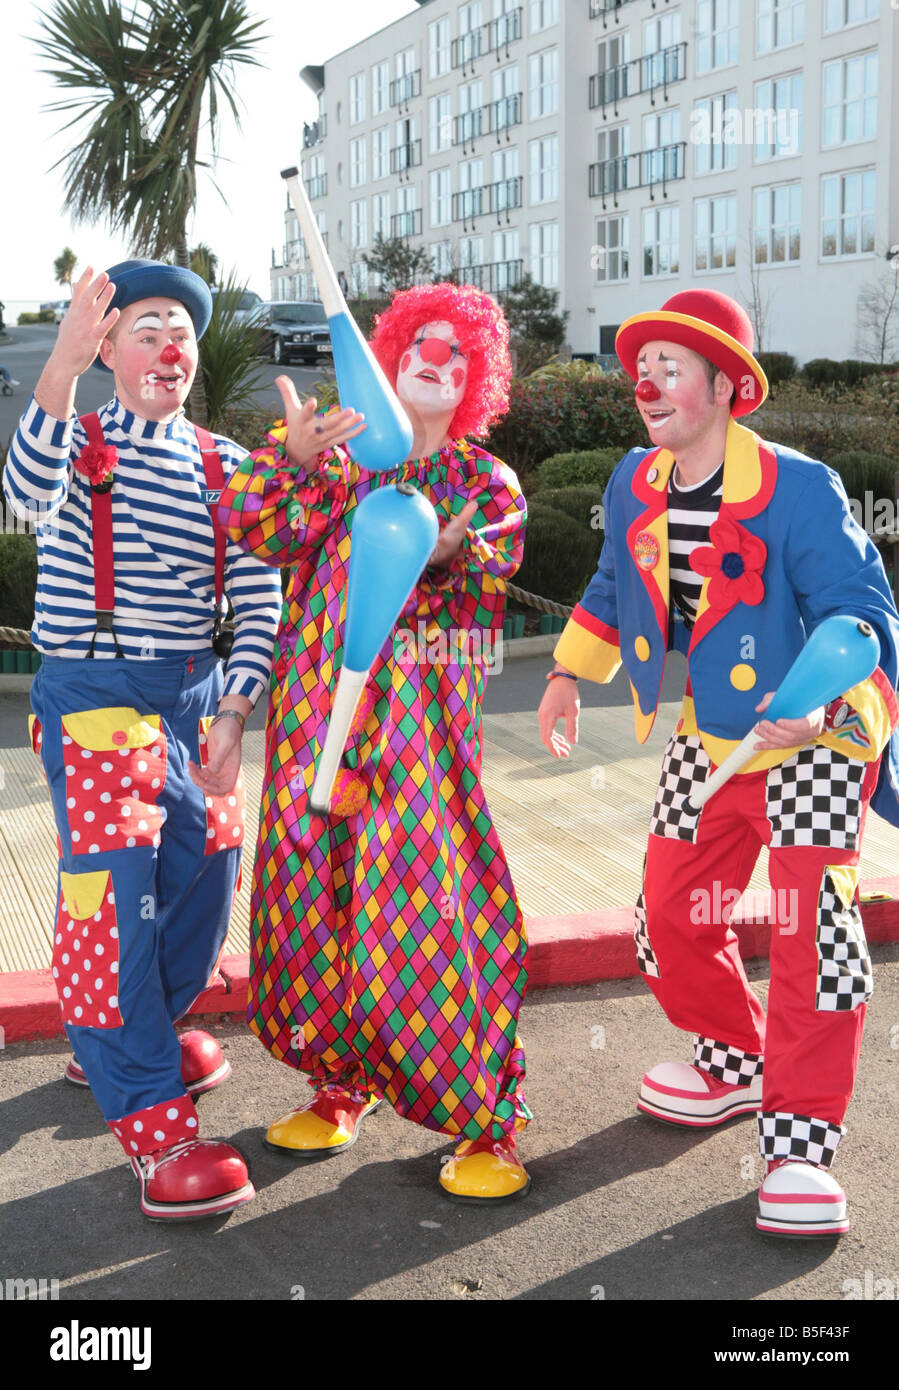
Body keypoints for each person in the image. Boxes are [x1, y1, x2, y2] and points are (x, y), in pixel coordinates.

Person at [538, 289, 899, 1237]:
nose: (645, 382)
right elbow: (618, 578)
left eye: (668, 366)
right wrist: (570, 673)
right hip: (711, 735)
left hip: (817, 737)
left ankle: (801, 1139)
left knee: (810, 933)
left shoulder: (801, 487)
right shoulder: (633, 481)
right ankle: (737, 1061)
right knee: (665, 914)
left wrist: (817, 700)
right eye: (639, 368)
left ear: (726, 385)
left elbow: (858, 611)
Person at [218, 282, 532, 1201]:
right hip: (316, 736)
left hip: (418, 756)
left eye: (457, 351)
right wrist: (292, 457)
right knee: (313, 914)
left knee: (431, 922)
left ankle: (485, 1124)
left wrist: (445, 556)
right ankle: (339, 1086)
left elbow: (484, 590)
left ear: (477, 379)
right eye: (417, 346)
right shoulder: (341, 464)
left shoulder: (486, 484)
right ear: (388, 361)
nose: (436, 358)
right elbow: (252, 526)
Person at [3, 260, 282, 1221]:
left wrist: (239, 709)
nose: (169, 343)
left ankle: (131, 1034)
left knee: (208, 872)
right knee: (114, 901)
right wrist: (60, 372)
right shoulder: (74, 438)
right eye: (146, 327)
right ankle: (154, 1128)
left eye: (181, 330)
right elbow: (23, 497)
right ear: (110, 350)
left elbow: (256, 593)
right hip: (97, 694)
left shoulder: (227, 464)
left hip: (198, 699)